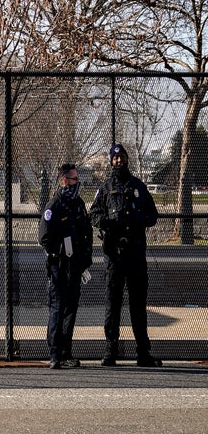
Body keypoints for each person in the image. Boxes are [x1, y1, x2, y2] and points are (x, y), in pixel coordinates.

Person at [89, 143, 162, 367]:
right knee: (113, 303)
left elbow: (153, 215)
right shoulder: (105, 188)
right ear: (111, 161)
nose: (119, 161)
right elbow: (93, 215)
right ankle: (111, 351)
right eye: (115, 158)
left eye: (122, 157)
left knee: (138, 305)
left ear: (128, 159)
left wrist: (137, 220)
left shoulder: (139, 187)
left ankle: (143, 352)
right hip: (114, 257)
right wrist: (108, 223)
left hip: (136, 256)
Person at [39, 163, 92, 369]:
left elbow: (85, 233)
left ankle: (65, 351)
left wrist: (85, 260)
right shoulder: (54, 206)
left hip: (75, 267)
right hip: (59, 265)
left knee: (71, 309)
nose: (77, 183)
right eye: (74, 180)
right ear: (64, 181)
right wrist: (62, 249)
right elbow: (44, 238)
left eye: (77, 179)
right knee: (57, 308)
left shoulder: (78, 204)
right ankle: (54, 354)